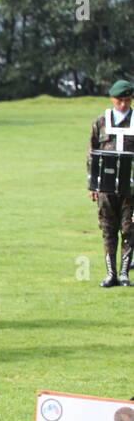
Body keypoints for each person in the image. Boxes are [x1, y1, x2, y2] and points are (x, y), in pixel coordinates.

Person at [88, 79, 134, 286]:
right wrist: (92, 185)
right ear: (112, 99)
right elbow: (92, 154)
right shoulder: (101, 122)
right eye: (119, 101)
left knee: (129, 228)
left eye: (127, 100)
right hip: (106, 186)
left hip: (131, 186)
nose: (123, 105)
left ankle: (124, 273)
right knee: (108, 229)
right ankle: (110, 274)